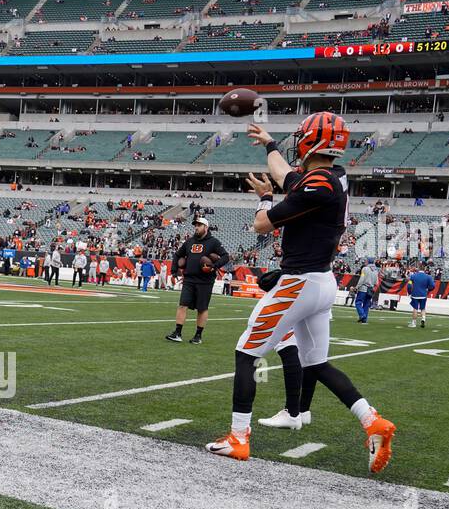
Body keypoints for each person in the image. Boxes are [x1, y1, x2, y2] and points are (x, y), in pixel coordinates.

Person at [207, 113, 396, 472]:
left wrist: (264, 199)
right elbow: (285, 175)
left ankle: (238, 438)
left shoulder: (318, 186)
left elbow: (262, 223)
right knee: (317, 363)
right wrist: (269, 143)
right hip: (322, 281)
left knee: (246, 354)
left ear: (311, 141)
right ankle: (372, 420)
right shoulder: (332, 177)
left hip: (300, 282)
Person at [166, 216, 228, 344]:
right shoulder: (189, 241)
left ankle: (198, 336)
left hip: (205, 281)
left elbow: (225, 256)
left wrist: (214, 266)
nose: (196, 227)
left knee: (202, 308)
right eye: (195, 225)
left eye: (199, 225)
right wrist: (174, 270)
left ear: (206, 227)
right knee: (182, 305)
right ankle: (177, 333)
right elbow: (178, 254)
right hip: (189, 279)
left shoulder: (213, 242)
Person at [406, 263, 436, 328]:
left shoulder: (413, 276)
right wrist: (428, 289)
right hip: (423, 294)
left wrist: (409, 292)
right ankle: (423, 319)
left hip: (415, 294)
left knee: (415, 308)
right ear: (424, 269)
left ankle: (414, 323)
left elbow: (409, 285)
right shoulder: (428, 277)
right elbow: (433, 286)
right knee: (423, 308)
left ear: (418, 268)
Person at [354, 257, 380, 324]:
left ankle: (362, 315)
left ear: (368, 261)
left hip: (363, 288)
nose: (365, 262)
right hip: (370, 289)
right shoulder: (376, 270)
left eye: (366, 261)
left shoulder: (365, 269)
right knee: (366, 304)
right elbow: (377, 283)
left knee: (358, 302)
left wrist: (357, 287)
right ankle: (364, 320)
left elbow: (362, 279)